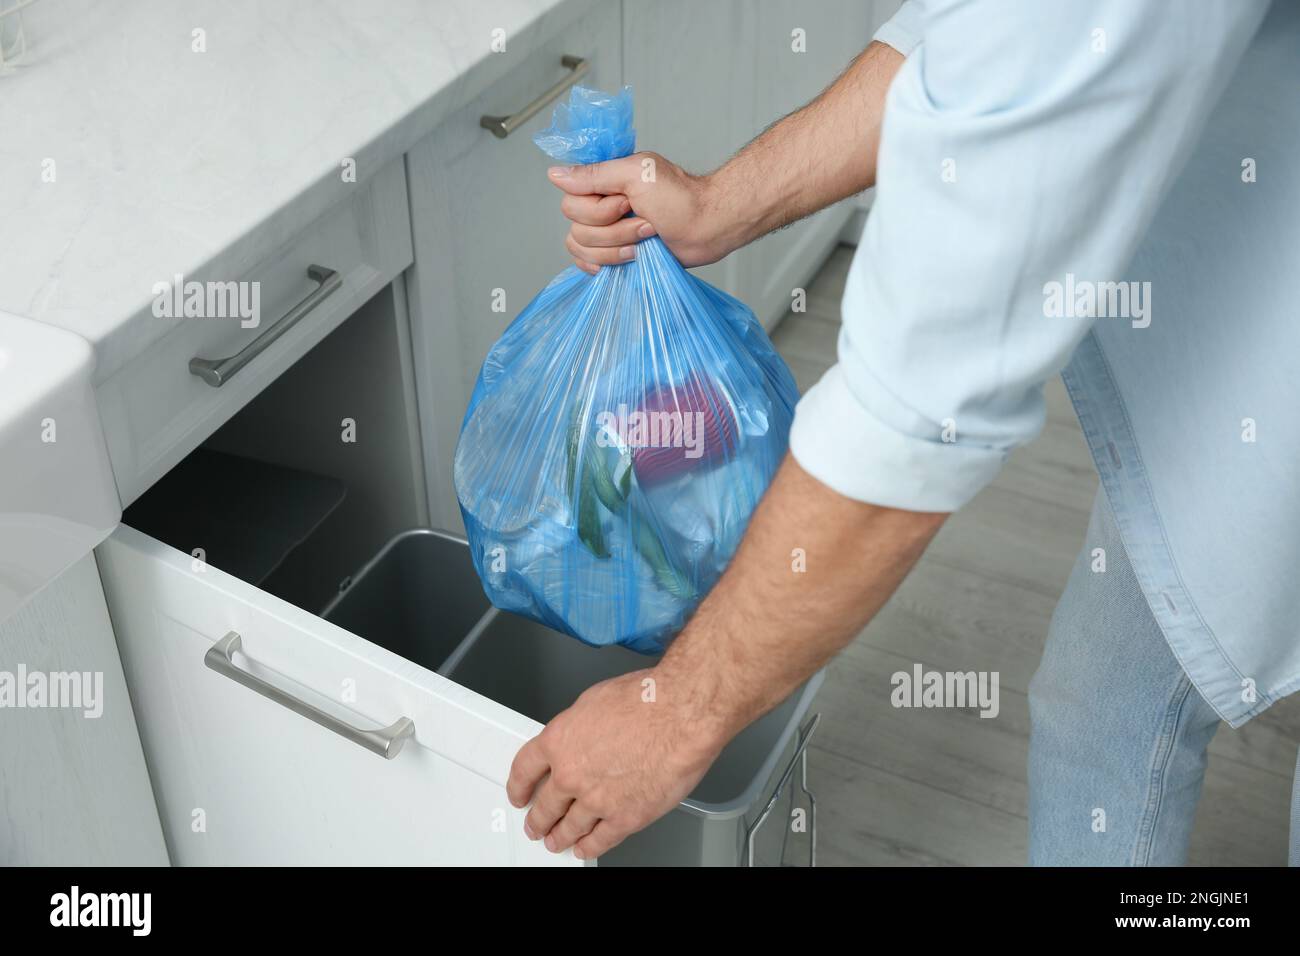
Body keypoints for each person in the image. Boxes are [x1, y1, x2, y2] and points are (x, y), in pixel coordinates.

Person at [506, 0, 1300, 865]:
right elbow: (959, 39)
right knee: (1102, 707)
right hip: (1250, 326)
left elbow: (914, 415)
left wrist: (681, 709)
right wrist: (718, 202)